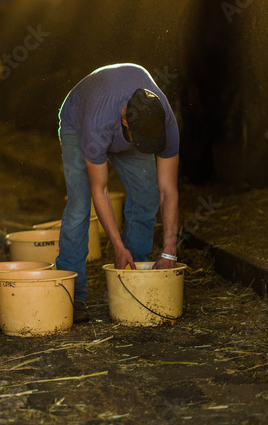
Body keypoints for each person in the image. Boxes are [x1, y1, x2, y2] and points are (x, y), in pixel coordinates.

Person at [55, 63, 180, 323]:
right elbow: (99, 189)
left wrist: (169, 250)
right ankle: (72, 295)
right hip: (77, 123)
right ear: (125, 122)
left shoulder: (165, 119)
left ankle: (131, 278)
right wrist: (116, 244)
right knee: (79, 204)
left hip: (123, 127)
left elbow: (168, 191)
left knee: (147, 194)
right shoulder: (98, 123)